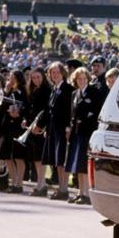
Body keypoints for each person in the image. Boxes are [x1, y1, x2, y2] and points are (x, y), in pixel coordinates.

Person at [65, 67, 101, 205]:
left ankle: (86, 193)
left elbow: (96, 112)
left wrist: (86, 119)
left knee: (84, 163)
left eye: (84, 79)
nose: (81, 81)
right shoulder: (75, 94)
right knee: (77, 164)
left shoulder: (93, 92)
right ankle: (81, 192)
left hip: (87, 132)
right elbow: (72, 115)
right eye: (79, 79)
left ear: (88, 79)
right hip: (76, 132)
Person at [38, 62, 73, 201]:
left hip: (63, 129)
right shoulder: (54, 89)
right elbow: (49, 111)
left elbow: (70, 111)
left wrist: (68, 127)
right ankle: (61, 188)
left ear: (62, 73)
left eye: (57, 72)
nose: (55, 75)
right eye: (52, 73)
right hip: (53, 128)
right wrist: (45, 127)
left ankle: (64, 189)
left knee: (62, 160)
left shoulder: (68, 89)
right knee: (57, 160)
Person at [0, 70, 28, 194]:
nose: (11, 80)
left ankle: (19, 184)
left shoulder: (23, 92)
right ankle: (13, 181)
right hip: (7, 126)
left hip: (17, 127)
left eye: (14, 78)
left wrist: (18, 114)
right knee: (5, 155)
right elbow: (0, 106)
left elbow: (25, 107)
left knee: (18, 156)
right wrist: (6, 90)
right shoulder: (8, 91)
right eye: (10, 78)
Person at [25, 67, 52, 197]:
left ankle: (41, 184)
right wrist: (27, 121)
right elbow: (30, 109)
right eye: (33, 77)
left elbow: (46, 110)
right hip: (33, 127)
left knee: (40, 157)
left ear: (43, 77)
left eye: (38, 77)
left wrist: (40, 126)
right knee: (36, 157)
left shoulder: (47, 90)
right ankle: (40, 183)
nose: (36, 80)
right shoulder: (33, 90)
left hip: (41, 128)